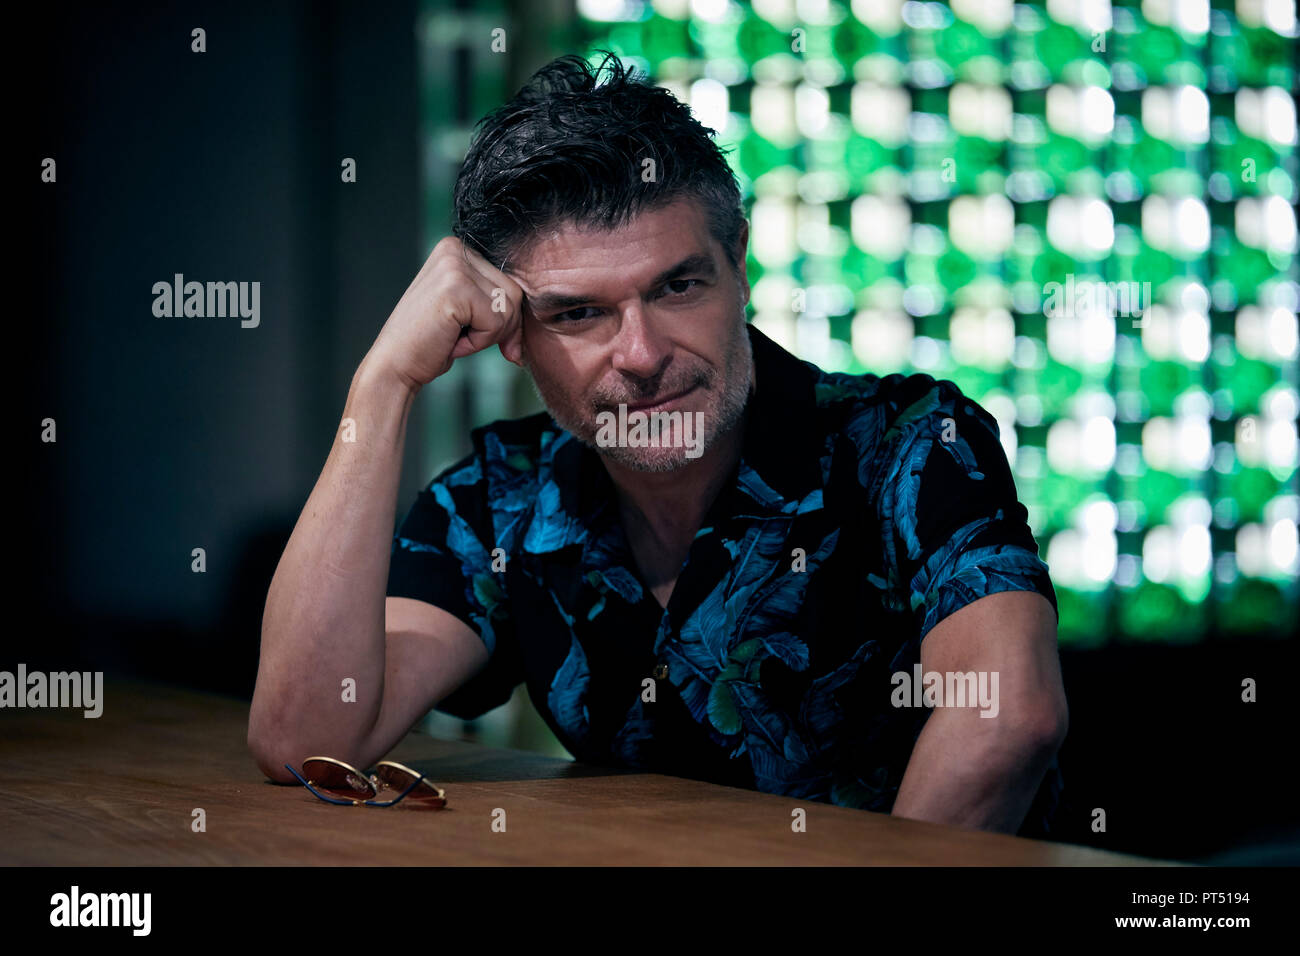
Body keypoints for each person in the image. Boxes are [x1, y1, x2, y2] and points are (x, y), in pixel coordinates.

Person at [249, 52, 1068, 837]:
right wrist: (382, 385)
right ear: (509, 336)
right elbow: (304, 745)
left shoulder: (911, 445)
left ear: (739, 267)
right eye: (578, 314)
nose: (641, 356)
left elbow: (1009, 714)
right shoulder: (500, 503)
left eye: (677, 286)